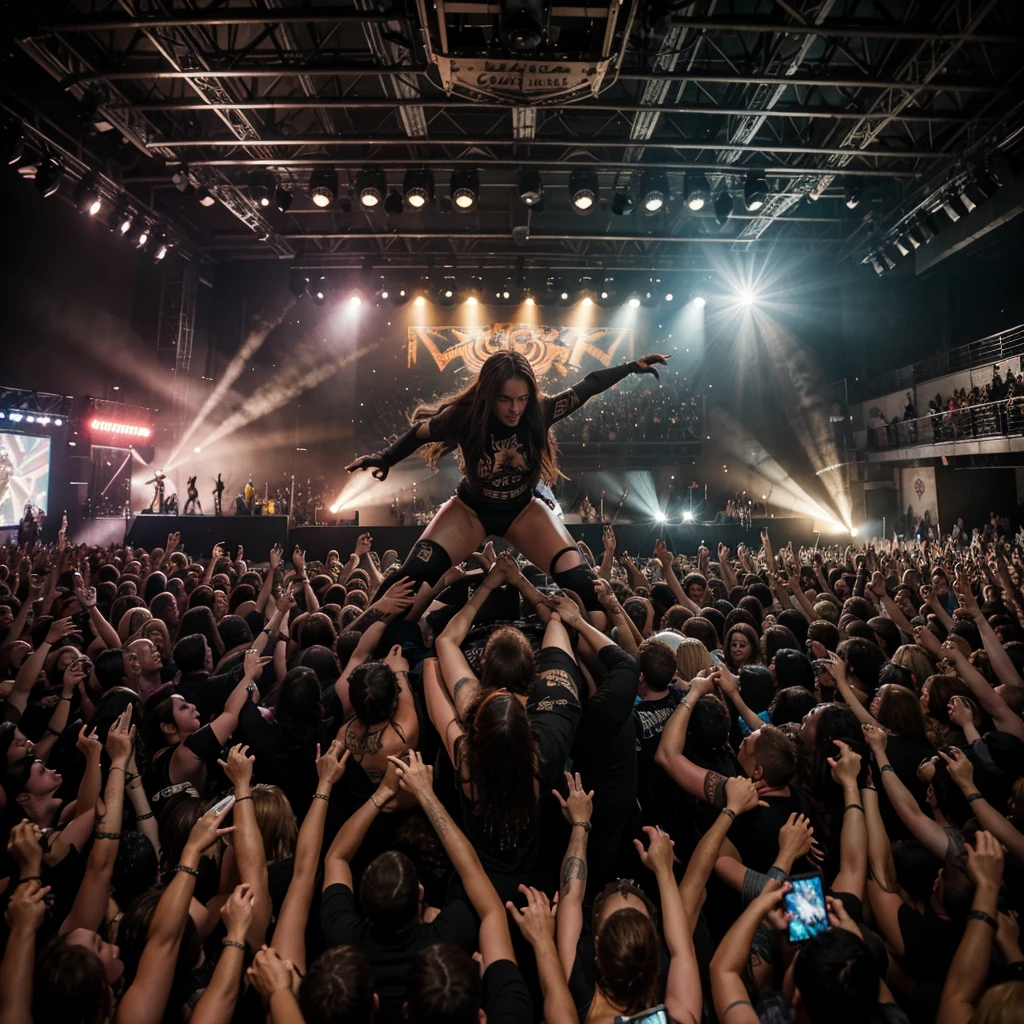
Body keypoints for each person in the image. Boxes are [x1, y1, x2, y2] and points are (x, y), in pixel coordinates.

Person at [346, 348, 667, 616]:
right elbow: (420, 433)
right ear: (489, 396)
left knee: (586, 586)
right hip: (471, 510)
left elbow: (589, 385)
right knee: (409, 579)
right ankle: (356, 647)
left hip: (522, 510)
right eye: (505, 399)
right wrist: (385, 459)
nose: (515, 409)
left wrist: (631, 367)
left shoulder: (540, 411)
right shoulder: (464, 416)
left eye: (522, 399)